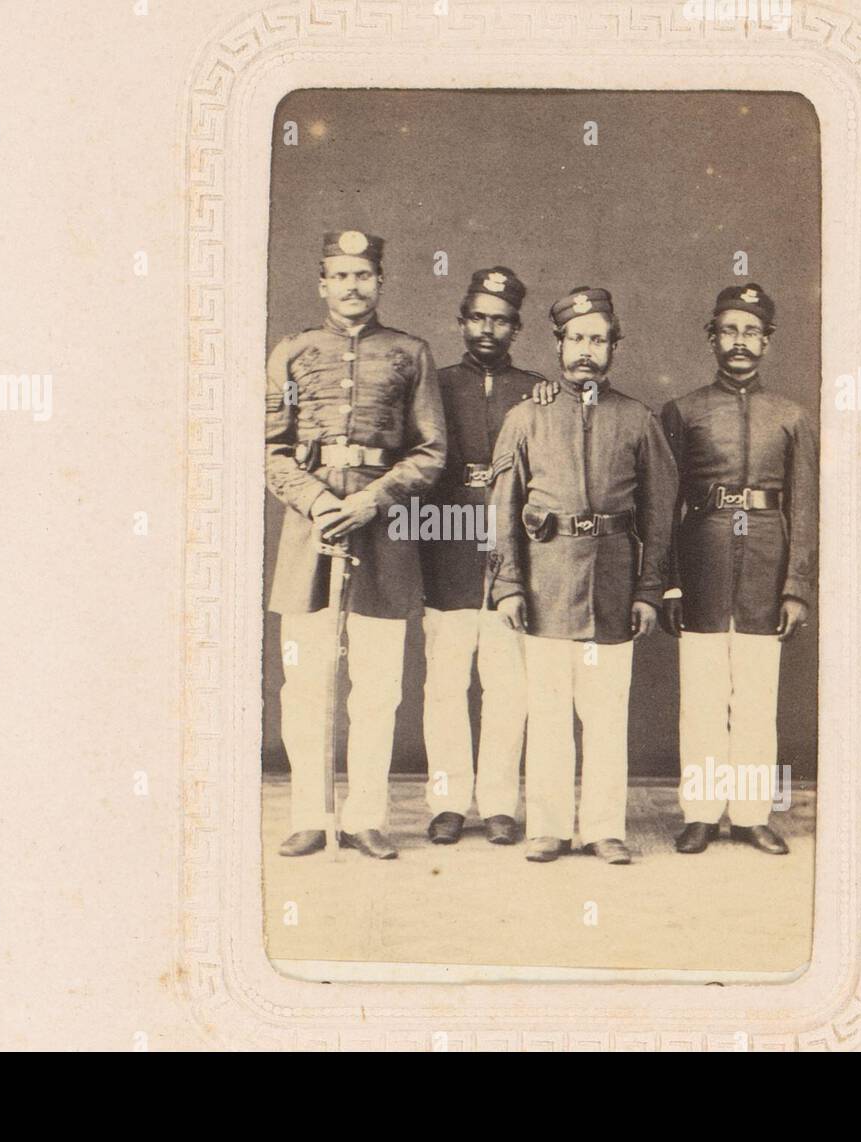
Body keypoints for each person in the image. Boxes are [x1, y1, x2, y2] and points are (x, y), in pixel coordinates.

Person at [264, 229, 446, 860]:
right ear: (322, 284)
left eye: (363, 276)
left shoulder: (409, 353)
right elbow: (271, 448)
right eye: (340, 276)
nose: (352, 287)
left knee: (378, 683)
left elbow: (432, 452)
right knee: (304, 681)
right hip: (307, 534)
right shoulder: (292, 352)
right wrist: (318, 503)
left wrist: (371, 500)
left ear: (380, 282)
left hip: (384, 533)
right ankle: (311, 814)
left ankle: (366, 816)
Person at [488, 288, 678, 864]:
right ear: (559, 344)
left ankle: (603, 828)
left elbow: (661, 512)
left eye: (598, 339)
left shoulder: (637, 419)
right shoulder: (526, 416)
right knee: (546, 713)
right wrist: (508, 584)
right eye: (576, 339)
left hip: (614, 589)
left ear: (614, 347)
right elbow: (503, 509)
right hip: (546, 587)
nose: (586, 351)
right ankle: (547, 827)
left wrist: (649, 590)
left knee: (605, 715)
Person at [657, 283, 819, 855]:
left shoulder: (791, 417)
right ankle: (700, 813)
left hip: (766, 569)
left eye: (751, 331)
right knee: (701, 696)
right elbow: (663, 504)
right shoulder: (683, 412)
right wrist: (670, 581)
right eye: (729, 330)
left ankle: (751, 815)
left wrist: (796, 588)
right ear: (712, 337)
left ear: (768, 342)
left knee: (755, 697)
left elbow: (803, 507)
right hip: (701, 564)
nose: (740, 342)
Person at [419, 267, 545, 847]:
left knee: (508, 686)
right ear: (461, 322)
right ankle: (447, 802)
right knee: (444, 685)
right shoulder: (435, 384)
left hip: (509, 557)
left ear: (516, 327)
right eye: (478, 317)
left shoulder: (537, 389)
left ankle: (498, 803)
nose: (487, 328)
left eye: (500, 319)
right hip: (444, 547)